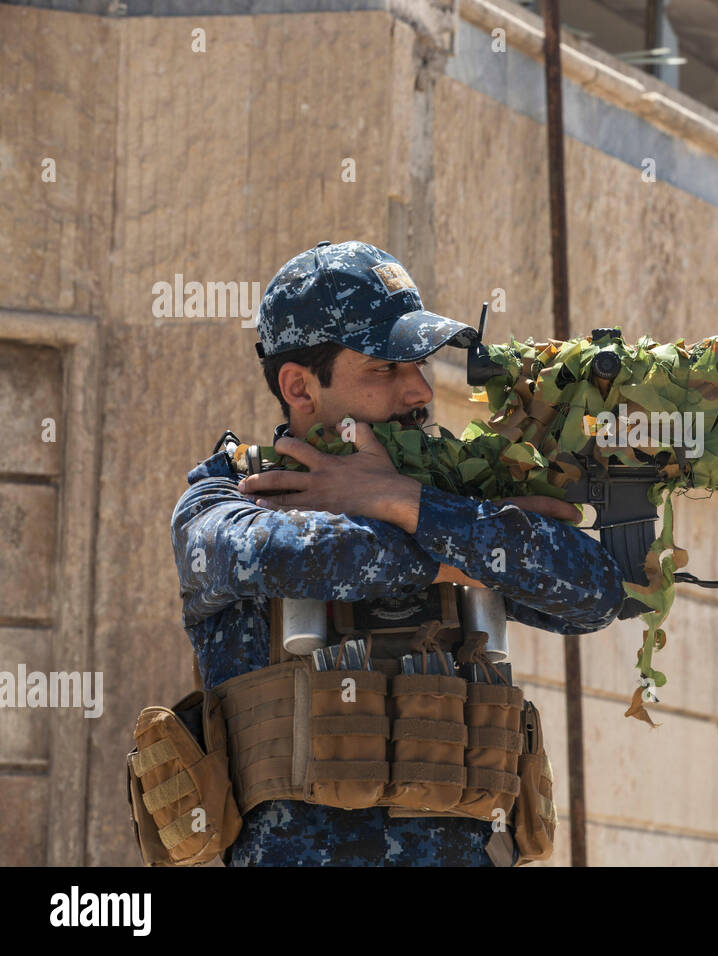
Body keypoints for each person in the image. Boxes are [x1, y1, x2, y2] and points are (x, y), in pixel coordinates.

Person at [170, 240, 624, 866]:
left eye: (417, 364)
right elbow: (289, 557)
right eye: (383, 369)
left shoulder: (446, 497)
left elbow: (594, 592)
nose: (417, 390)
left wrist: (410, 502)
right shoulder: (230, 495)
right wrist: (453, 546)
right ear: (300, 387)